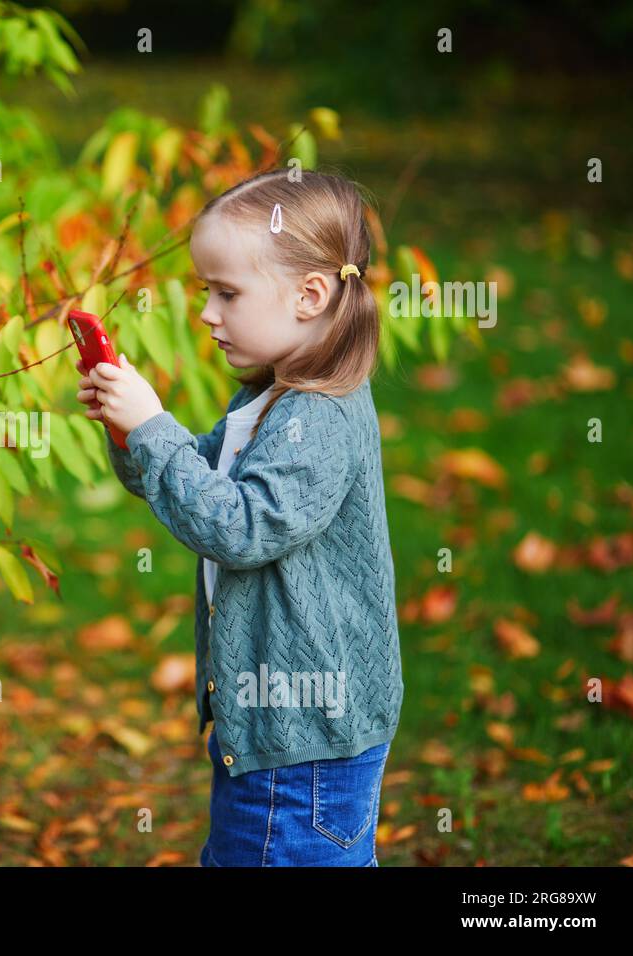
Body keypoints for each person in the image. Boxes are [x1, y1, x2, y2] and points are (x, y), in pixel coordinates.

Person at [75, 168, 404, 866]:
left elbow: (239, 527)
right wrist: (131, 430)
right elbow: (193, 480)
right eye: (205, 292)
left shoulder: (317, 415)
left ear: (310, 296)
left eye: (227, 292)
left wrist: (155, 426)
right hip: (281, 727)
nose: (206, 313)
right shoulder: (274, 397)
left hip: (302, 743)